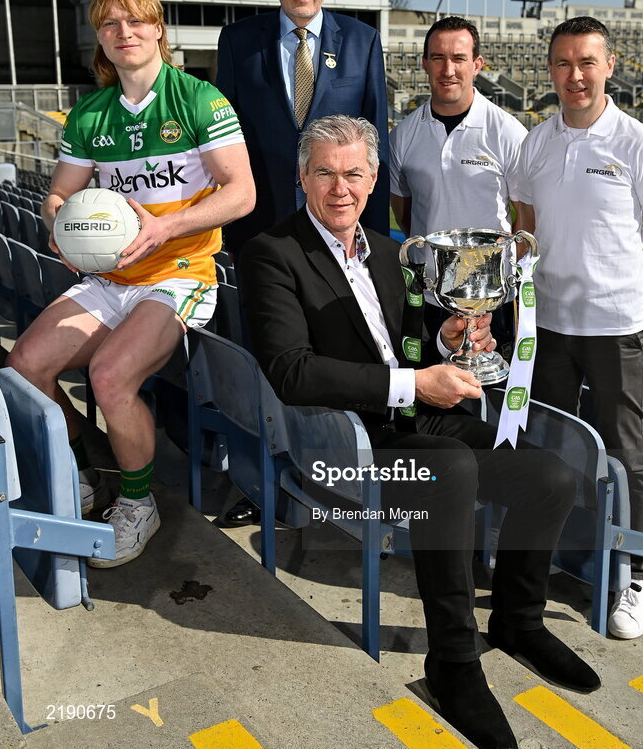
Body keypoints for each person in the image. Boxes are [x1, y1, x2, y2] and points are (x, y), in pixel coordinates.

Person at [239, 114, 600, 749]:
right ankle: (453, 663)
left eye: (354, 172)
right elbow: (291, 372)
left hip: (415, 421)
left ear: (375, 178)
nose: (340, 187)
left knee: (551, 476)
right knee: (450, 471)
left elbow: (410, 339)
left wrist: (452, 338)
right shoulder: (273, 254)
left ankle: (518, 621)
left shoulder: (387, 250)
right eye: (324, 172)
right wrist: (413, 385)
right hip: (343, 441)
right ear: (301, 178)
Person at [6, 0, 255, 568]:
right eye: (111, 25)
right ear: (101, 39)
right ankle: (82, 470)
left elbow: (242, 192)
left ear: (157, 28)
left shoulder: (197, 99)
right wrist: (60, 227)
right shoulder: (92, 113)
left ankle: (139, 503)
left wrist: (166, 228)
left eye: (135, 21)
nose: (125, 33)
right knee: (24, 366)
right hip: (110, 277)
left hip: (180, 273)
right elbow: (60, 193)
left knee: (110, 375)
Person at [516, 16, 643, 639]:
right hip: (551, 327)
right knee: (550, 448)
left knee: (628, 454)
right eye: (563, 63)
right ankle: (537, 559)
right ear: (551, 71)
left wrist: (621, 291)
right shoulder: (535, 143)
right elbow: (527, 225)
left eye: (586, 62)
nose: (575, 75)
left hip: (615, 330)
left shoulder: (641, 143)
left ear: (609, 66)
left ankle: (635, 573)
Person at [216, 0, 389, 251]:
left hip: (336, 229)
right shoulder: (238, 42)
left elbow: (375, 149)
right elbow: (224, 141)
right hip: (259, 229)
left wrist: (376, 242)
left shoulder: (363, 42)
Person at [390, 16, 527, 354]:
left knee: (489, 398)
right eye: (438, 58)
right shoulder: (403, 135)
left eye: (459, 58)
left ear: (477, 64)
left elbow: (527, 219)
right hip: (430, 297)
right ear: (425, 63)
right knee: (431, 395)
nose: (448, 69)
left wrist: (494, 276)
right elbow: (405, 214)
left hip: (491, 304)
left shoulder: (507, 132)